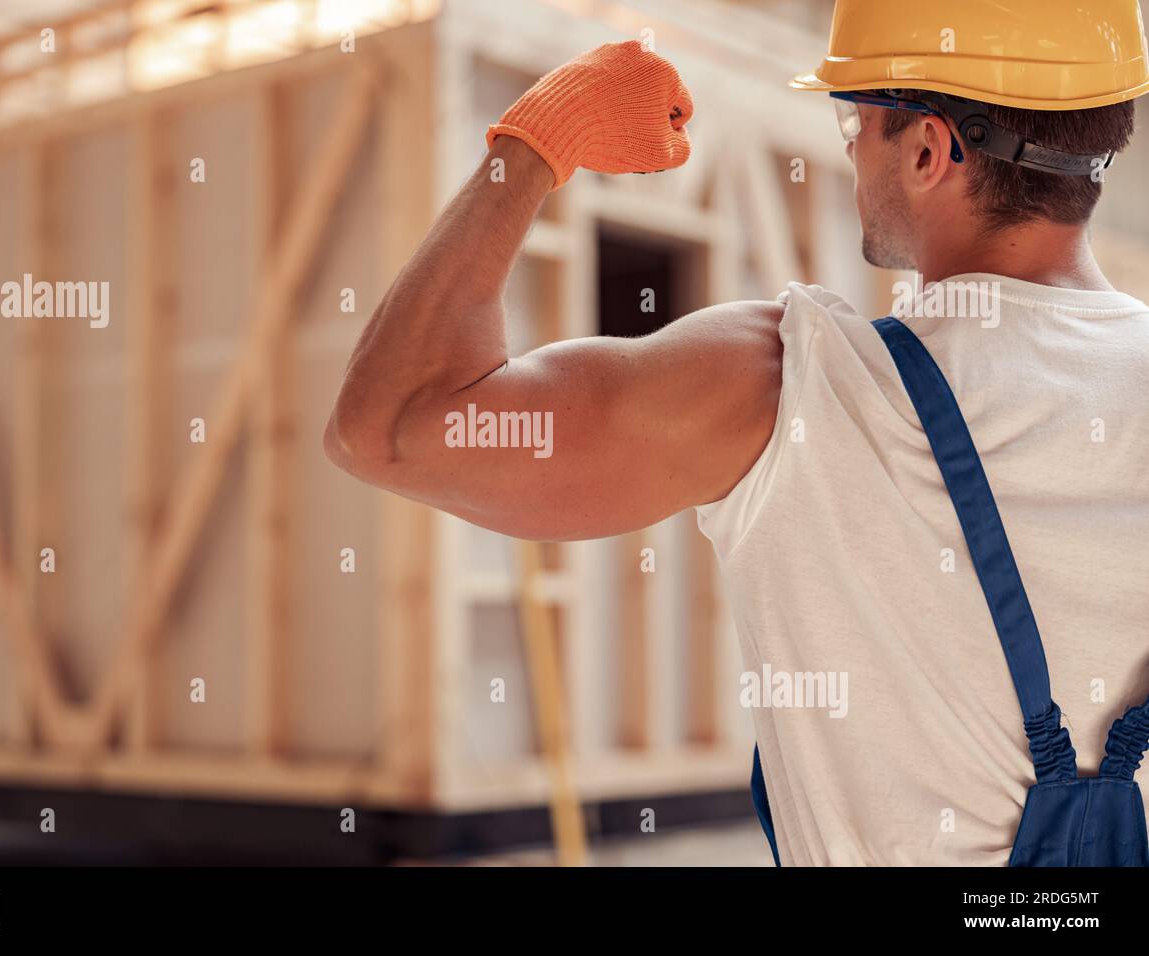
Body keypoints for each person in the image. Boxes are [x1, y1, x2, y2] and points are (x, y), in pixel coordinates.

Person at [325, 1, 1149, 865]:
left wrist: (534, 143)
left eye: (854, 117)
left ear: (927, 151)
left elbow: (390, 425)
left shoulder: (794, 384)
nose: (847, 146)